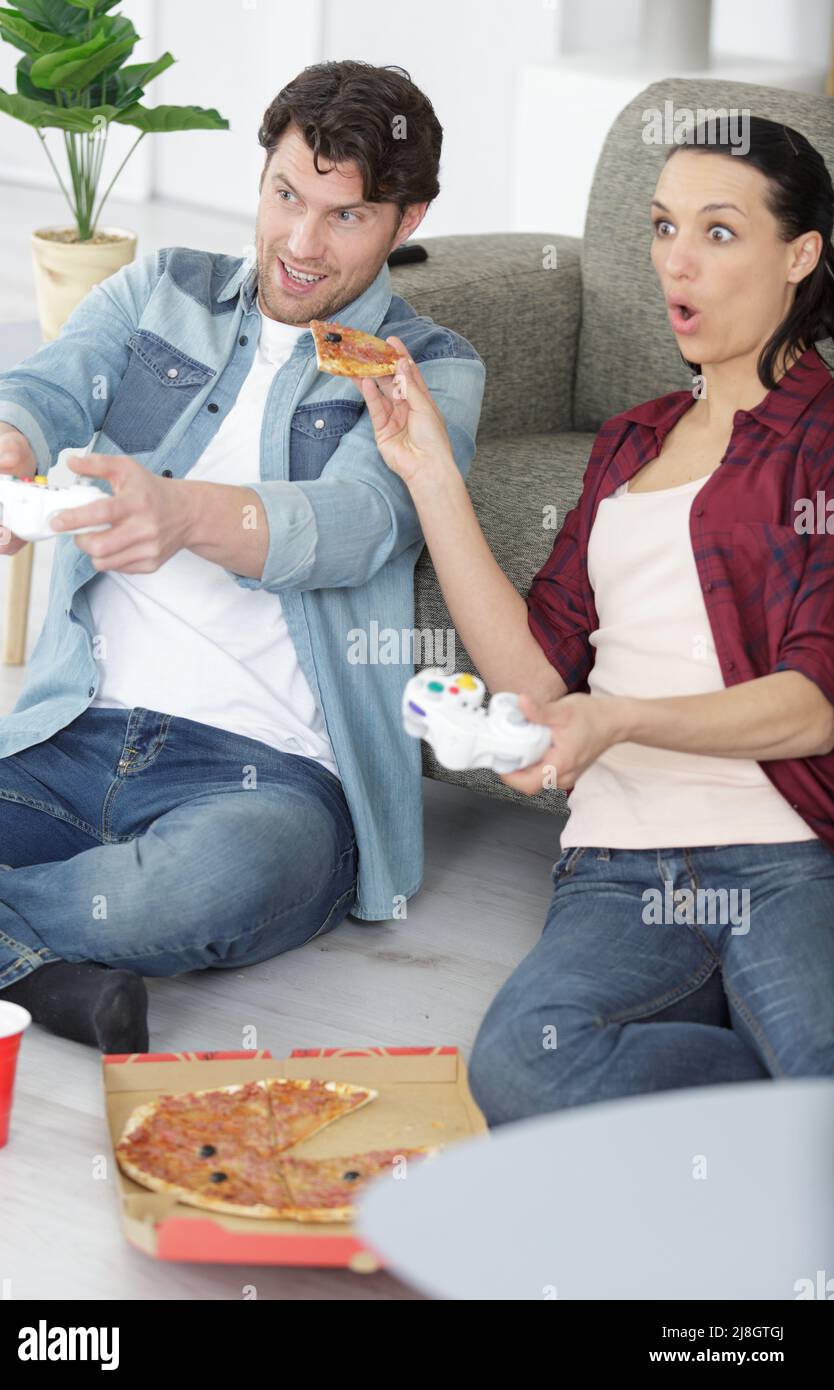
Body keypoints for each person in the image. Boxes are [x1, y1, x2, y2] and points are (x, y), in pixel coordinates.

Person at [0, 60, 485, 1052]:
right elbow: (45, 385)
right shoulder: (161, 290)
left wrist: (181, 514)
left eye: (345, 217)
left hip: (264, 777)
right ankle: (53, 976)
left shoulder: (434, 370)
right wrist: (1, 444)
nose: (299, 242)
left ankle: (4, 945)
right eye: (286, 195)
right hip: (71, 738)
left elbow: (358, 521)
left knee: (206, 889)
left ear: (405, 220)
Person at [356, 115, 834, 1123]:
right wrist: (430, 473)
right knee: (522, 1069)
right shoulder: (630, 442)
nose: (676, 263)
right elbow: (534, 681)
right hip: (619, 861)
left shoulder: (821, 445)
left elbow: (811, 706)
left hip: (787, 851)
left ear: (798, 254)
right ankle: (776, 1117)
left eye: (715, 232)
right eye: (662, 228)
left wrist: (615, 720)